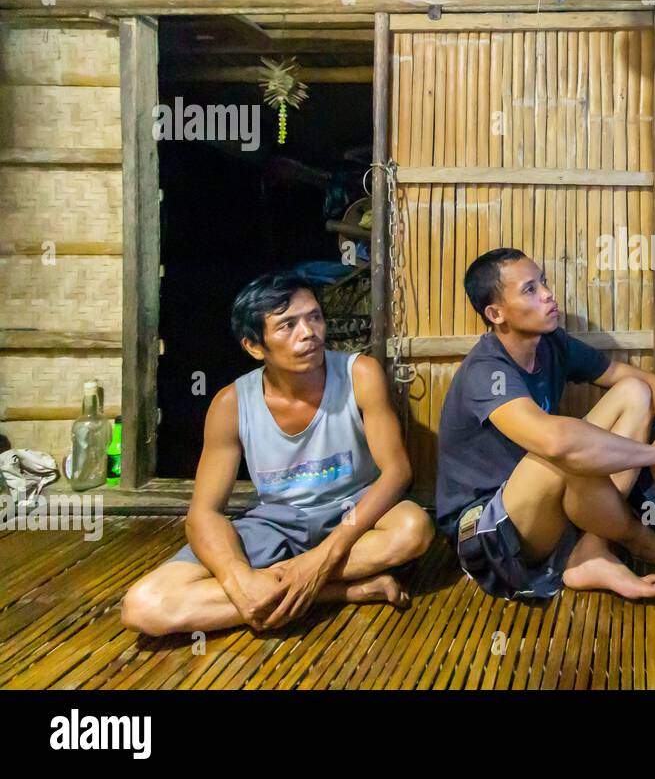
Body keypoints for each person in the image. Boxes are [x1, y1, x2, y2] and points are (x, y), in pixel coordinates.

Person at [121, 272, 433, 636]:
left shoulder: (359, 374)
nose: (308, 332)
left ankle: (300, 583)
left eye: (314, 317)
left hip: (357, 514)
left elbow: (397, 472)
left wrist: (323, 557)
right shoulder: (231, 404)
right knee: (145, 606)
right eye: (288, 325)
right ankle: (340, 591)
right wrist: (238, 580)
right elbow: (203, 513)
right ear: (255, 347)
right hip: (279, 525)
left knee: (413, 529)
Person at [437, 248, 655, 601]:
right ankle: (641, 540)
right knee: (563, 450)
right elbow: (558, 444)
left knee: (633, 393)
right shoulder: (487, 372)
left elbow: (643, 380)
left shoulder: (551, 344)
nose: (547, 294)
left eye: (543, 282)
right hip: (489, 534)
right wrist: (654, 456)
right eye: (530, 289)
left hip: (546, 504)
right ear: (496, 313)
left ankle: (590, 550)